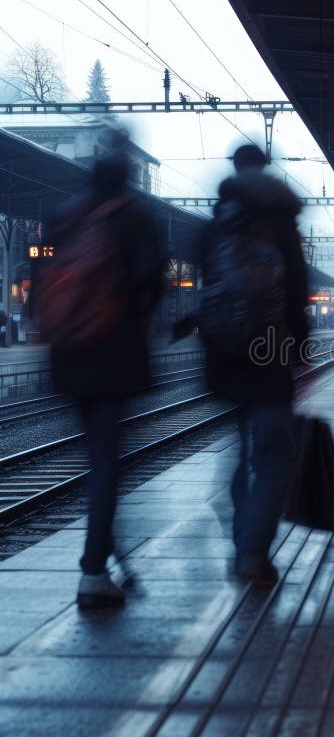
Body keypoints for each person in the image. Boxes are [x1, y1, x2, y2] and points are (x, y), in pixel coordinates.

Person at [43, 130, 163, 608]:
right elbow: (150, 287)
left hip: (68, 354)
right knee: (105, 464)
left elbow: (43, 288)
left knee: (96, 460)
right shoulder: (137, 217)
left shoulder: (65, 216)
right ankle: (95, 570)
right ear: (130, 180)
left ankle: (108, 557)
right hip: (113, 355)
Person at [196, 143, 308, 588]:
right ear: (264, 170)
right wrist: (297, 346)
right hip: (270, 353)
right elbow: (297, 290)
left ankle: (243, 535)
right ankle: (252, 553)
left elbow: (206, 289)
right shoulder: (281, 224)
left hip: (223, 354)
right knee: (276, 454)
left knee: (242, 451)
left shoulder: (212, 228)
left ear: (234, 170)